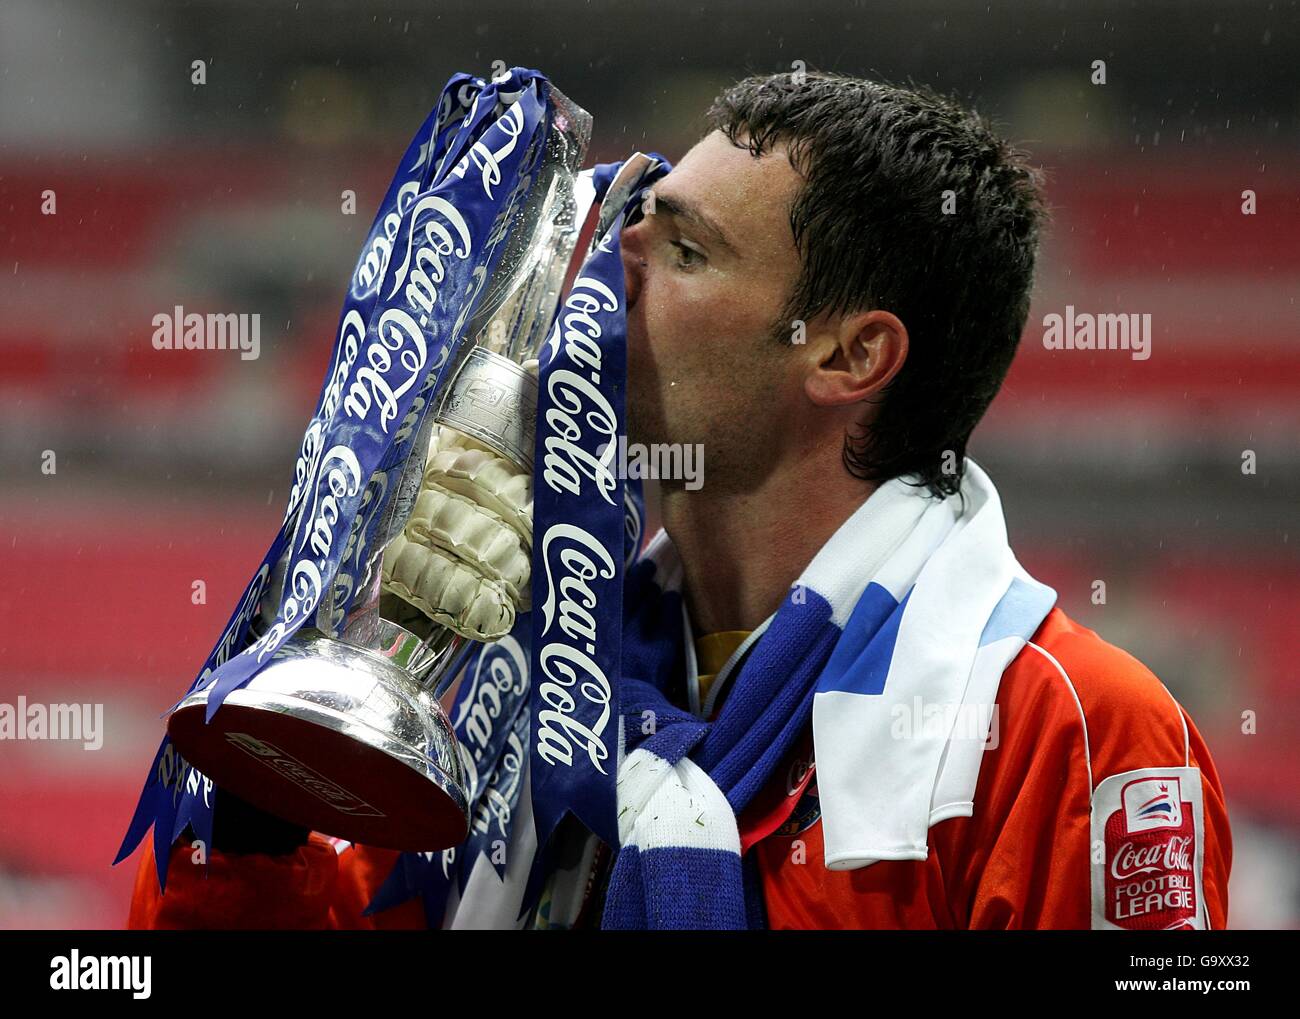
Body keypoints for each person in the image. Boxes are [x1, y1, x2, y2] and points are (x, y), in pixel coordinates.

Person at [128, 71, 1231, 930]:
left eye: (687, 248)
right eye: (631, 223)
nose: (614, 268)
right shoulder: (516, 674)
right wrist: (274, 768)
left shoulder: (1071, 731)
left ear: (849, 353)